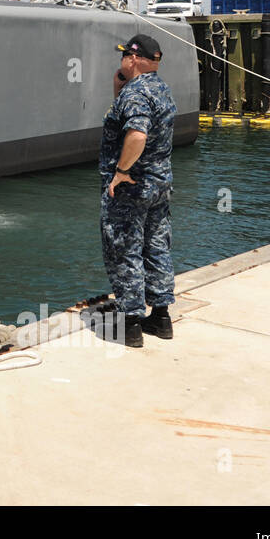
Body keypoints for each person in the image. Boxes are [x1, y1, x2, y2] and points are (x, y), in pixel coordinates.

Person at [99, 33, 177, 347]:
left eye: (123, 57)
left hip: (132, 186)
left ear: (132, 58)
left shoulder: (136, 92)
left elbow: (137, 135)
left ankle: (130, 323)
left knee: (124, 249)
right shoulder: (160, 88)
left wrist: (121, 172)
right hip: (159, 184)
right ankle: (160, 317)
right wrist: (119, 88)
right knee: (156, 246)